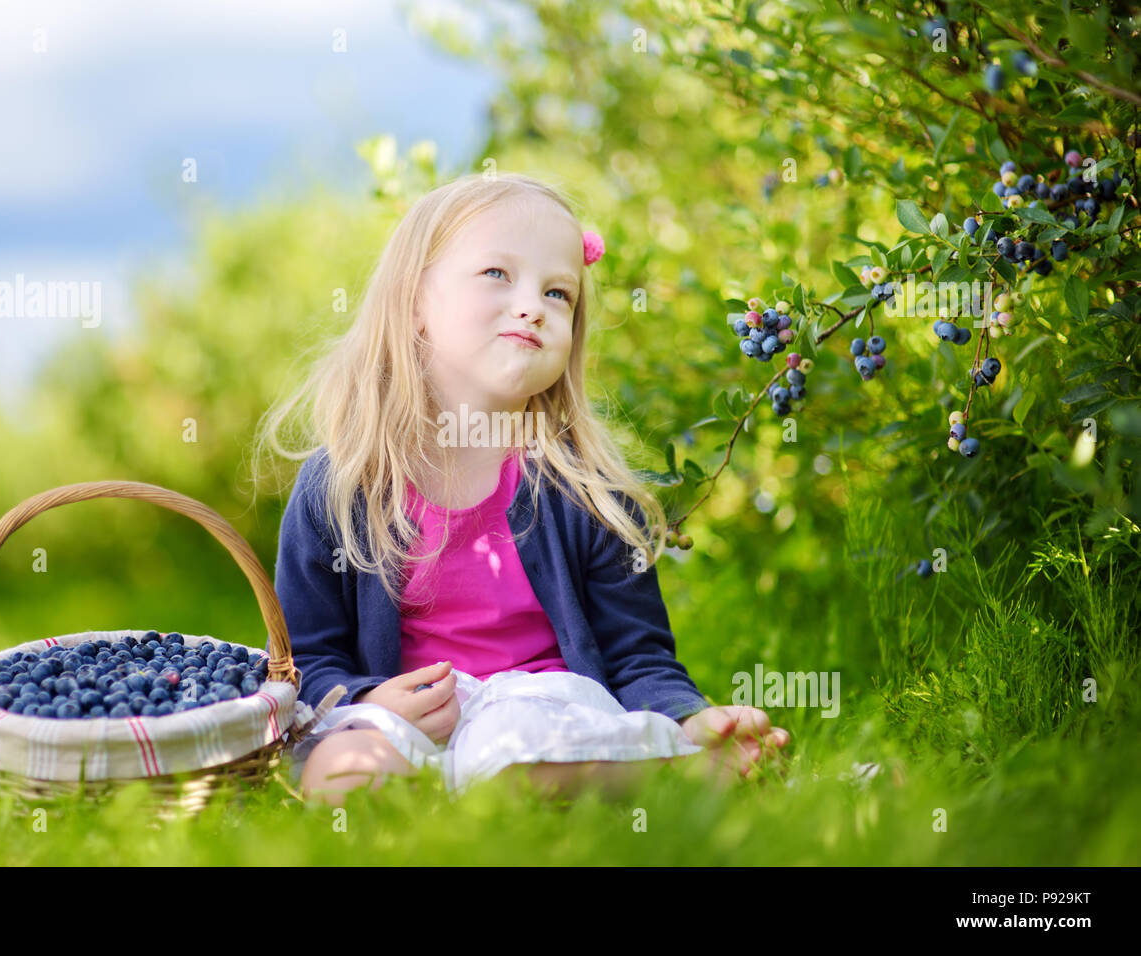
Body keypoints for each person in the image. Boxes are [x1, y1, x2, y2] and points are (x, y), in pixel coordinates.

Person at [252, 172, 791, 806]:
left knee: (515, 750)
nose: (533, 305)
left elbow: (637, 655)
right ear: (416, 298)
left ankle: (673, 766)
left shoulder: (584, 488)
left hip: (541, 709)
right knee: (340, 770)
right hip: (408, 720)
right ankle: (641, 781)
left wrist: (686, 714)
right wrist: (369, 699)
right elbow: (303, 661)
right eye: (497, 275)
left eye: (558, 293)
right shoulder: (340, 485)